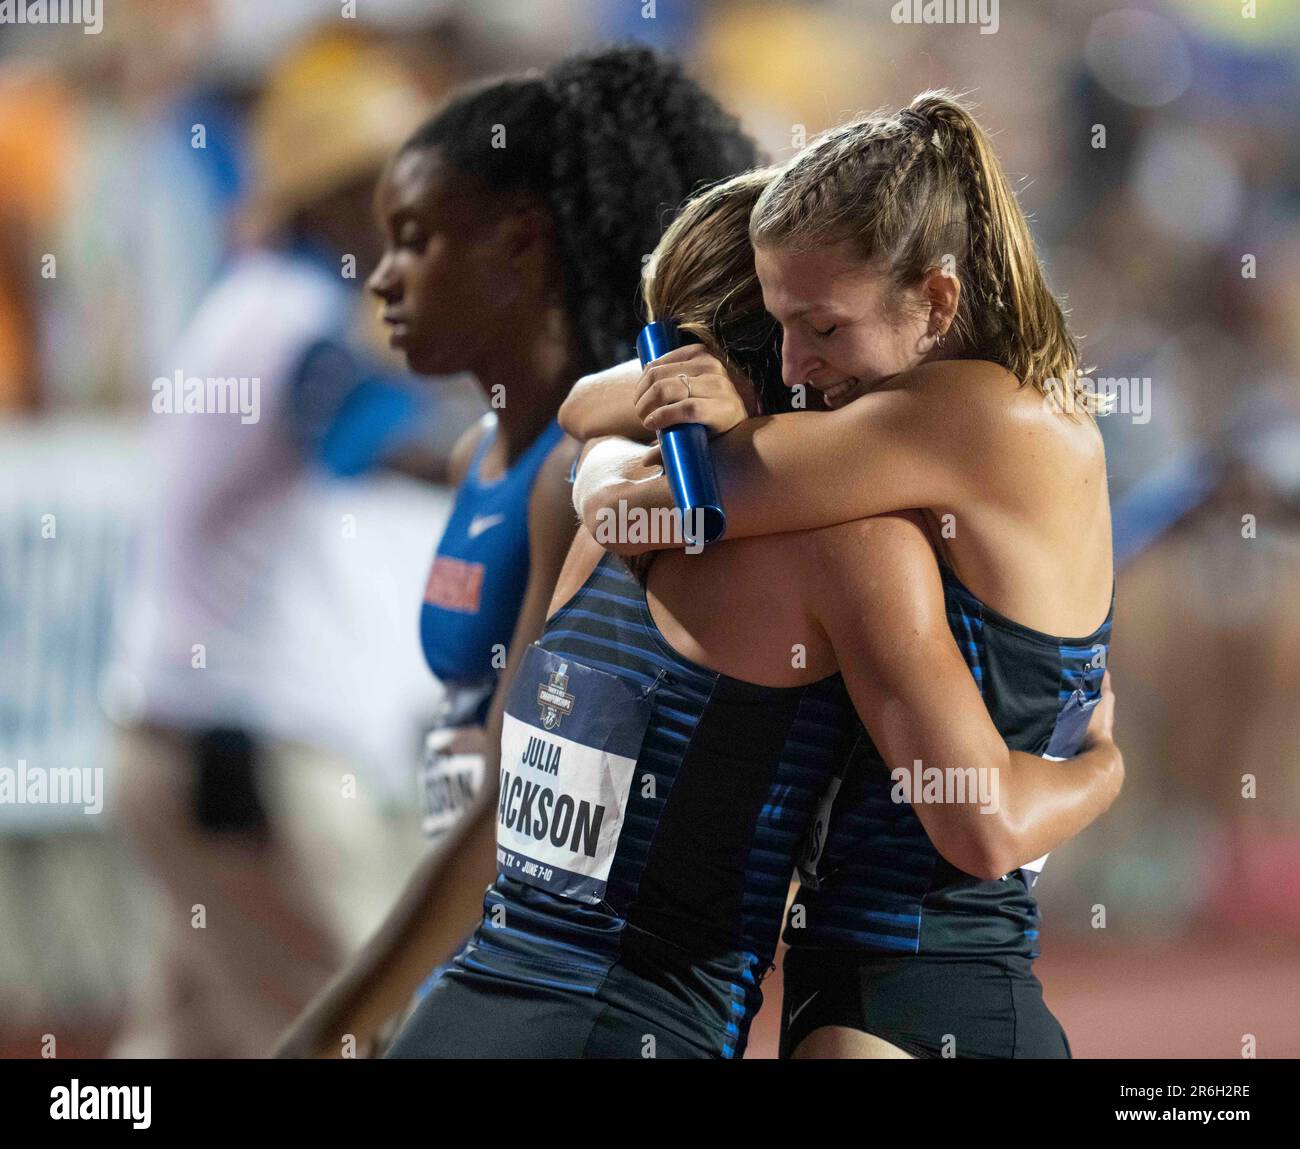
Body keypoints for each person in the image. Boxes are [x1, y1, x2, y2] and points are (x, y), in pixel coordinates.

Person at [383, 169, 1121, 1059]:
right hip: (649, 1028)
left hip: (463, 1010)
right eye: (803, 333)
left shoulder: (592, 495)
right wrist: (1105, 764)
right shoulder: (856, 549)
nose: (827, 369)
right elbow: (984, 820)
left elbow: (594, 426)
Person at [569, 92, 1118, 1058]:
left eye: (822, 329)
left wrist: (1105, 770)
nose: (797, 364)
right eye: (776, 330)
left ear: (937, 299)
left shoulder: (951, 415)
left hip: (903, 997)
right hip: (946, 986)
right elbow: (592, 407)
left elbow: (646, 506)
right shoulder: (1008, 408)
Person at [274, 45, 762, 1058]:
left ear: (521, 249)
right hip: (481, 959)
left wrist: (336, 1024)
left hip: (572, 990)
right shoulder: (475, 458)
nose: (383, 280)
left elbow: (516, 797)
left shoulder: (589, 474)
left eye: (414, 242)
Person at [107, 33, 446, 1058]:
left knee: (190, 1043)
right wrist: (547, 459)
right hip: (247, 767)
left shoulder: (253, 308)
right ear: (328, 199)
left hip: (189, 752)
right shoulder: (288, 320)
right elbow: (363, 434)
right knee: (358, 1030)